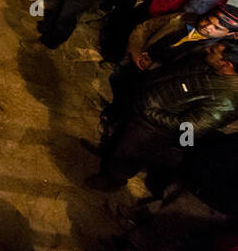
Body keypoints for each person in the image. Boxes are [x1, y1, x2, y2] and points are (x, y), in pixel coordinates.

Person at [92, 41, 238, 192]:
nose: (208, 49)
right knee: (119, 139)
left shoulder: (227, 99)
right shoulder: (212, 67)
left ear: (227, 64)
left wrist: (152, 114)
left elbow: (190, 126)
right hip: (143, 109)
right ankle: (107, 158)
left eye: (213, 51)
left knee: (128, 155)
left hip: (152, 129)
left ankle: (113, 180)